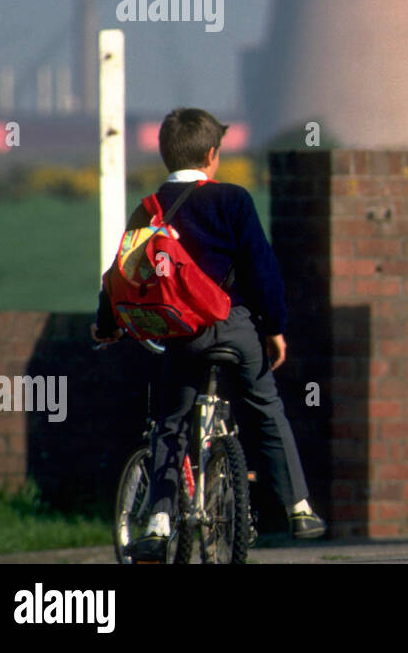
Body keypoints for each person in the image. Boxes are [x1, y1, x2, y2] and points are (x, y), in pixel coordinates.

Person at [94, 107, 325, 560]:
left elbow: (120, 274)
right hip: (234, 328)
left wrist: (107, 326)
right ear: (213, 154)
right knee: (266, 407)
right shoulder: (233, 200)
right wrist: (274, 328)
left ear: (166, 155)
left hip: (182, 335)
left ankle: (159, 522)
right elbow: (262, 269)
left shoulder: (150, 207)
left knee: (170, 424)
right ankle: (299, 506)